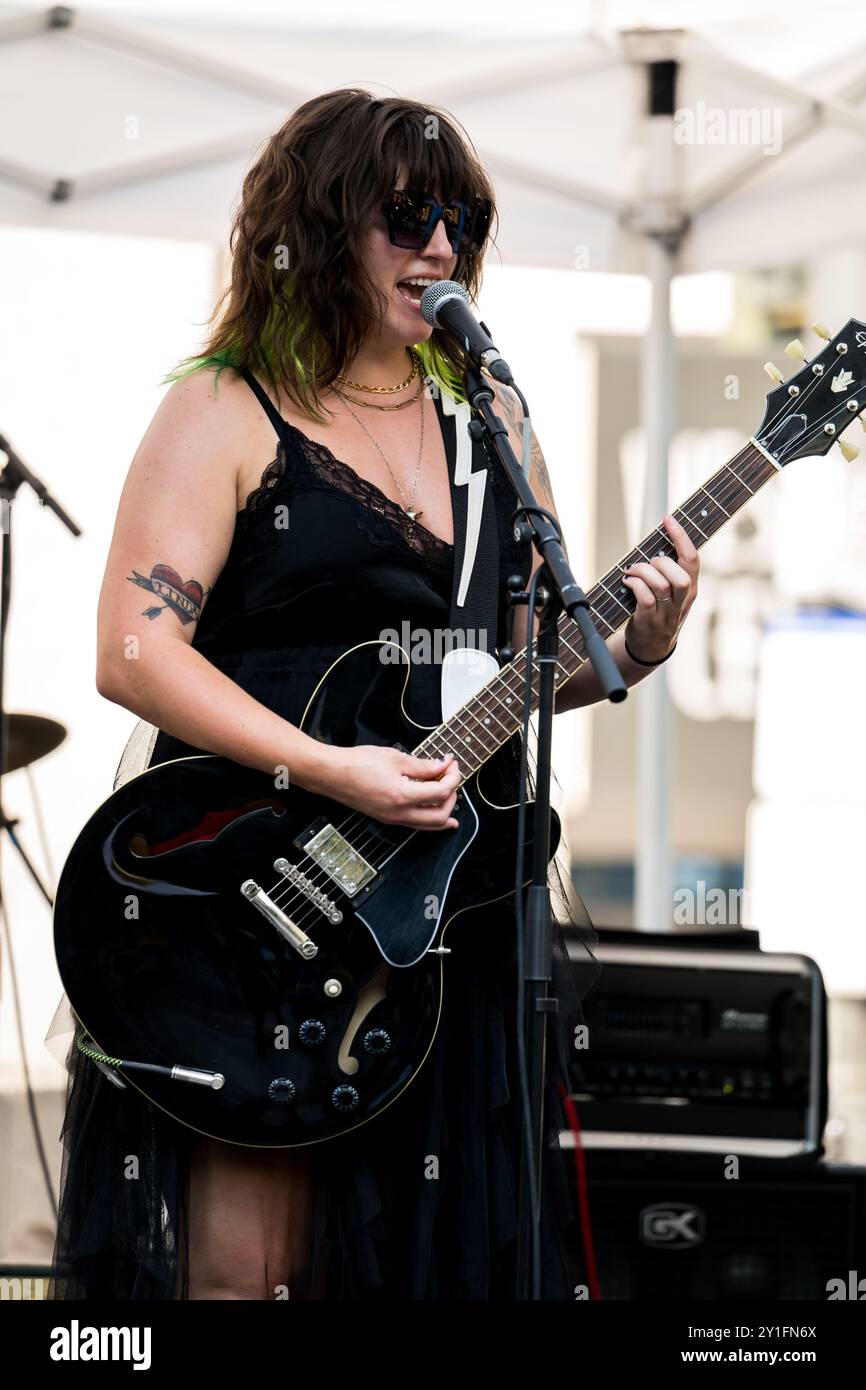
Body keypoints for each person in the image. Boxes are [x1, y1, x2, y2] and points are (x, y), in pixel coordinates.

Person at [49, 89, 699, 1301]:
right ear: (323, 224)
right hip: (257, 886)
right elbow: (133, 649)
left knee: (420, 1258)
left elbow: (519, 668)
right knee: (247, 1270)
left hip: (439, 903)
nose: (439, 246)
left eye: (459, 218)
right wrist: (326, 763)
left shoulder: (488, 417)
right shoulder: (225, 404)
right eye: (404, 216)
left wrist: (640, 647)